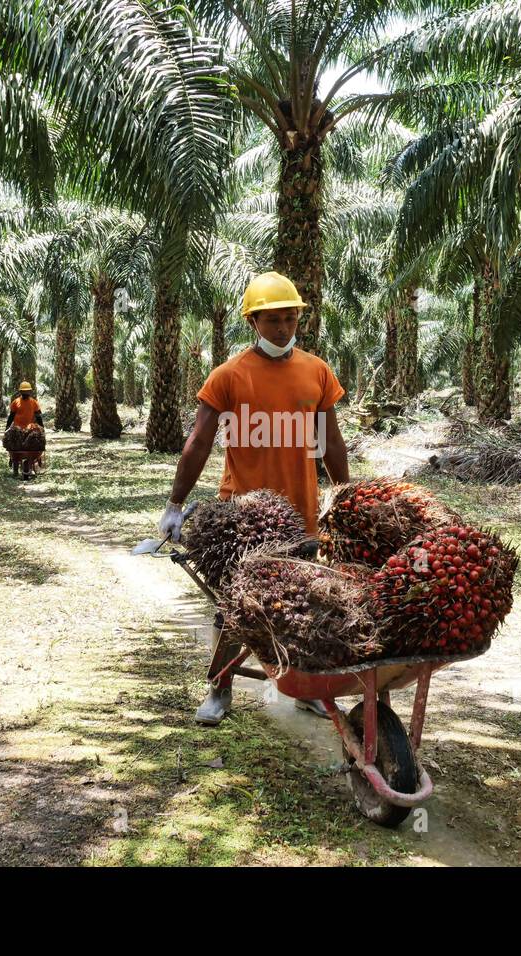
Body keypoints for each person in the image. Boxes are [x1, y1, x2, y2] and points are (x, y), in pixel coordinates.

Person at [158, 271, 350, 725]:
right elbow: (199, 442)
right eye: (273, 320)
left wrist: (344, 495)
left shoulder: (316, 371)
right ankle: (220, 689)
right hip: (244, 518)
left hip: (301, 511)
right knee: (233, 606)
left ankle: (308, 690)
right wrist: (175, 502)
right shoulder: (229, 375)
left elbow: (332, 442)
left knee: (305, 604)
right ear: (253, 322)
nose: (284, 328)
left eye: (291, 318)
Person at [5, 382, 43, 477]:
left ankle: (31, 463)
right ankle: (13, 460)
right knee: (13, 445)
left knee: (35, 444)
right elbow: (11, 416)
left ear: (30, 392)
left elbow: (38, 416)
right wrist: (7, 427)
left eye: (27, 391)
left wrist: (41, 427)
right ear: (20, 392)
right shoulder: (16, 402)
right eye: (23, 391)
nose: (25, 393)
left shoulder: (34, 402)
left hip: (30, 429)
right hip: (17, 430)